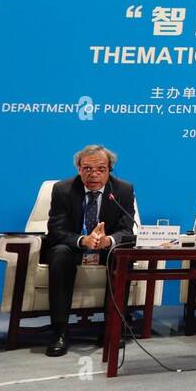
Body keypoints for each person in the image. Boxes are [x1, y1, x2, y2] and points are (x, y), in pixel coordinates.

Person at [43, 144, 136, 357]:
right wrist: (83, 239)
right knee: (59, 254)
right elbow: (56, 230)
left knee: (122, 256)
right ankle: (59, 332)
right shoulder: (63, 189)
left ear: (110, 169)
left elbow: (126, 230)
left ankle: (111, 329)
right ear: (78, 168)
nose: (93, 174)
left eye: (100, 169)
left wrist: (108, 240)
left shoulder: (123, 190)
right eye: (87, 169)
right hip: (74, 246)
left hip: (105, 249)